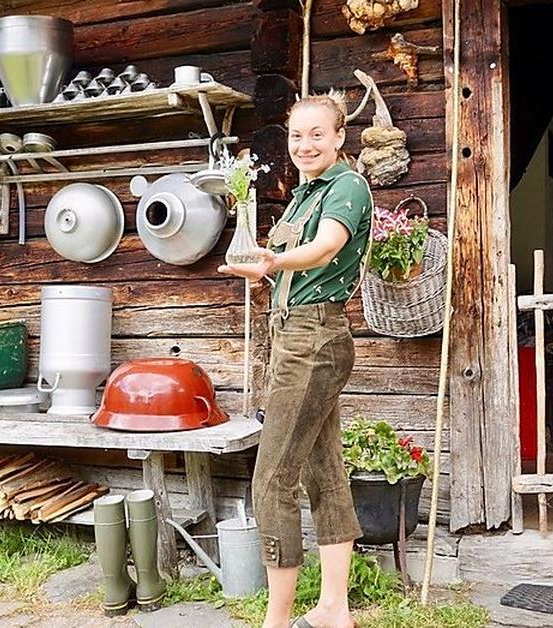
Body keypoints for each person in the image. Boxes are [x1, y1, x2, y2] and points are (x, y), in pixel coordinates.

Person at [218, 91, 373, 628]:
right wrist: (264, 268)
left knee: (271, 479)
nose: (305, 145)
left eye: (316, 134)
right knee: (322, 472)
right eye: (296, 135)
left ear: (339, 137)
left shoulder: (347, 186)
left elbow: (326, 248)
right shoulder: (303, 195)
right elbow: (288, 262)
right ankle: (333, 610)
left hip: (314, 338)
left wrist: (273, 262)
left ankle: (277, 621)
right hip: (293, 334)